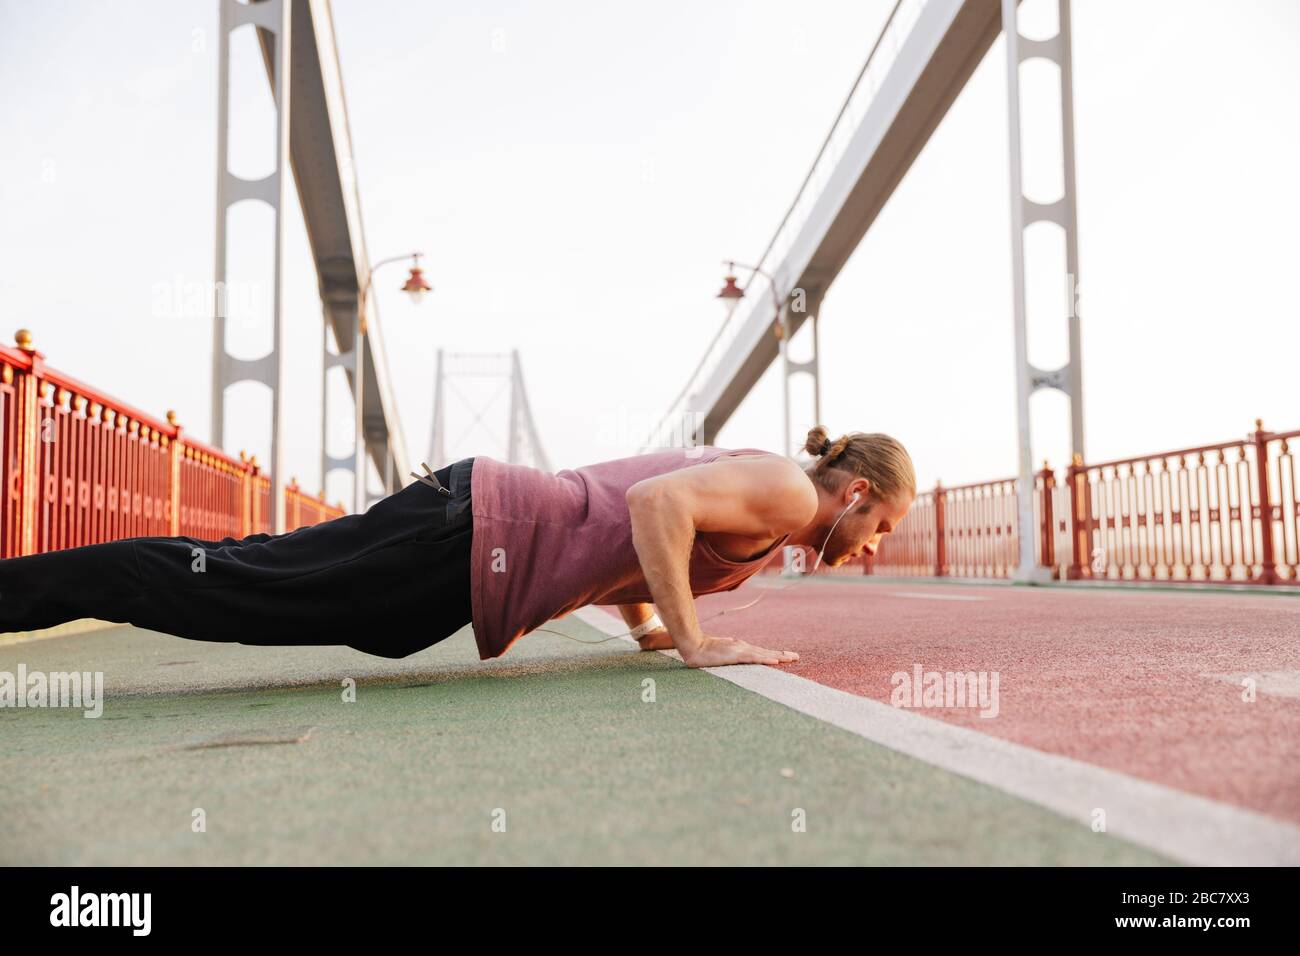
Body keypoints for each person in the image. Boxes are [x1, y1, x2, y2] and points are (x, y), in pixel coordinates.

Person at [0, 426, 914, 667]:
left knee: (233, 581)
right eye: (881, 529)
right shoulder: (790, 490)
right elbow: (655, 502)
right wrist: (695, 642)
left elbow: (629, 537)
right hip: (467, 537)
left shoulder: (771, 506)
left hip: (457, 556)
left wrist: (647, 626)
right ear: (858, 493)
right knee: (219, 582)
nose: (873, 547)